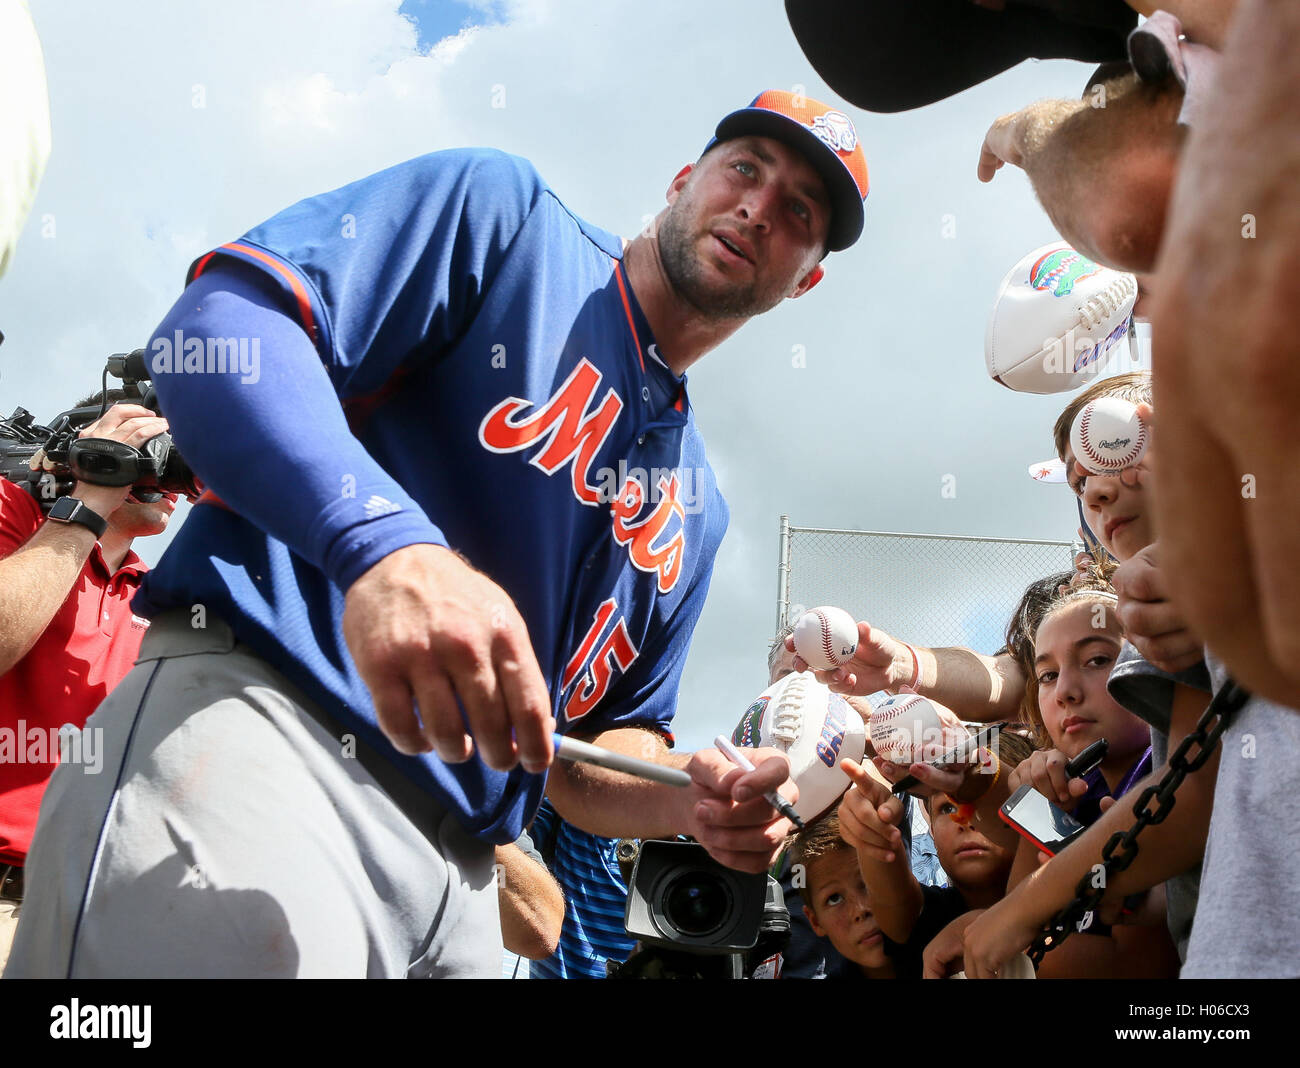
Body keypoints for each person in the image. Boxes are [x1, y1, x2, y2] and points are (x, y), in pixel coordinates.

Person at [6, 90, 870, 978]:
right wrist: (383, 543)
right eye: (746, 169)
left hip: (472, 885)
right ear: (686, 179)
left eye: (799, 210)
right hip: (273, 733)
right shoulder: (508, 221)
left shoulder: (698, 505)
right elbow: (216, 333)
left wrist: (689, 796)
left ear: (807, 275)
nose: (759, 208)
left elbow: (597, 752)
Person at [0, 396, 176, 970]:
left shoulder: (165, 596)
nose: (168, 472)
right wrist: (94, 491)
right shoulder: (12, 512)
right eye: (150, 446)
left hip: (104, 908)